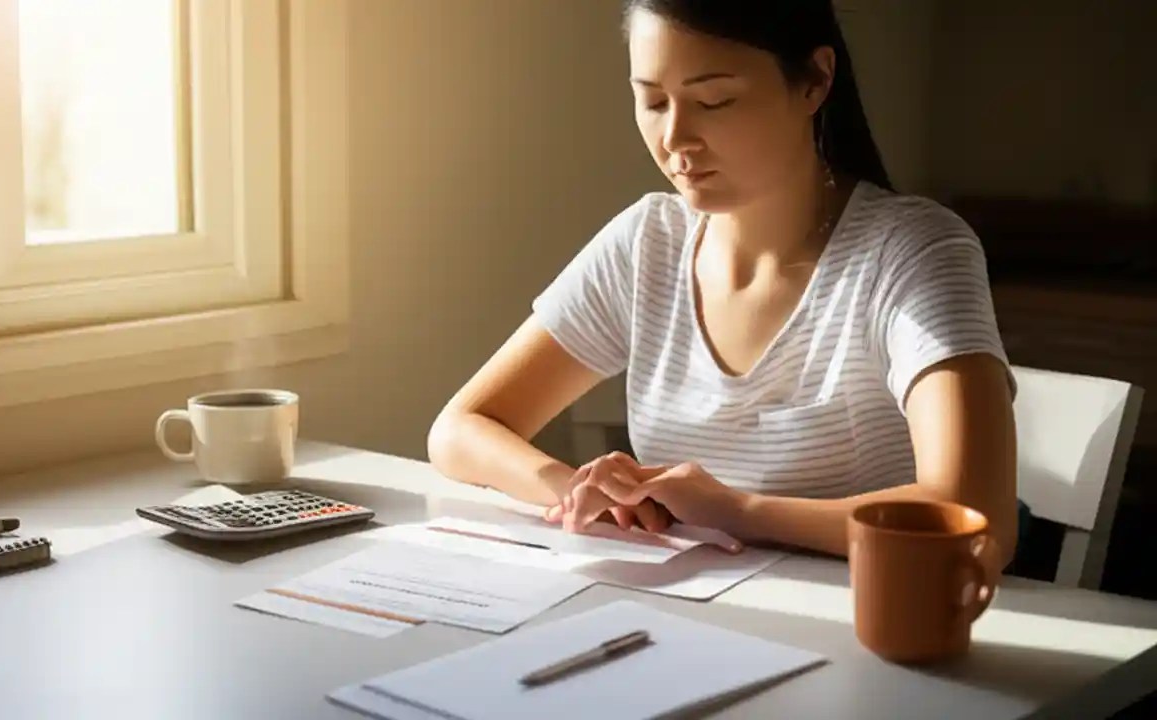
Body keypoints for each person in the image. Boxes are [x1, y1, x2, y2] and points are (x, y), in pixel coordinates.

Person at [427, 0, 1019, 574]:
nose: (676, 137)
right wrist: (578, 489)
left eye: (715, 101)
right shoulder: (647, 244)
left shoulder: (911, 250)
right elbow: (460, 429)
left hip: (861, 628)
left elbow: (977, 520)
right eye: (653, 101)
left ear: (814, 80)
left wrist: (740, 511)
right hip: (690, 614)